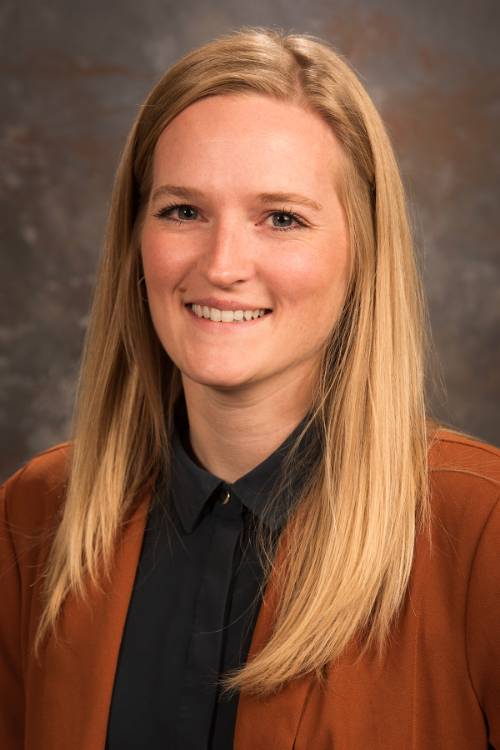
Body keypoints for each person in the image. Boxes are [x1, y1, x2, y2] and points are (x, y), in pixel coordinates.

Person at [1, 25, 499, 750]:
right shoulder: (33, 518)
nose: (224, 263)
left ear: (362, 252)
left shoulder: (480, 529)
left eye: (282, 218)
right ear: (134, 238)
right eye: (183, 211)